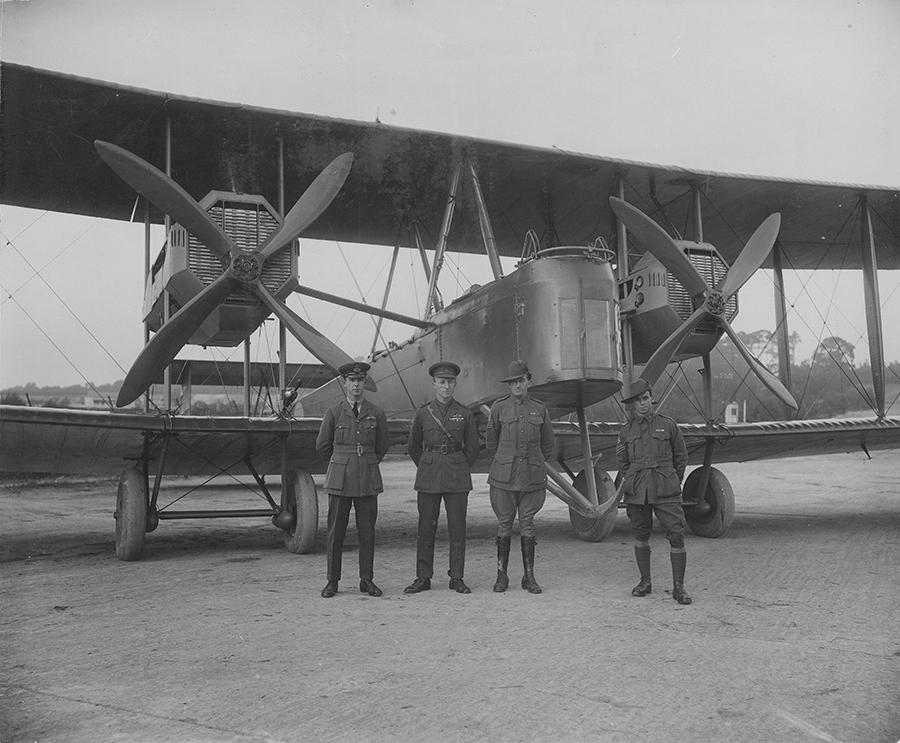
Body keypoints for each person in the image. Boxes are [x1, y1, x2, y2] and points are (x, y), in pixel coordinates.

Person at [316, 361, 391, 598]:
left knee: (367, 532)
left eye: (360, 380)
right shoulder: (334, 412)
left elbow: (382, 446)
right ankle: (332, 581)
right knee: (335, 532)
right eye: (352, 380)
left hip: (367, 478)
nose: (356, 384)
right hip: (340, 479)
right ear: (345, 383)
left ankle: (366, 580)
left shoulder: (376, 413)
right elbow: (322, 446)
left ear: (365, 383)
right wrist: (341, 462)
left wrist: (366, 461)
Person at [404, 362, 480, 595]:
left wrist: (457, 464)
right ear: (434, 384)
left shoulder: (464, 413)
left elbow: (473, 449)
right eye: (442, 382)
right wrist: (429, 463)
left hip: (457, 476)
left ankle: (456, 577)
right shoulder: (423, 413)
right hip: (429, 476)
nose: (446, 387)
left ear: (455, 384)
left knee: (458, 530)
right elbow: (414, 446)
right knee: (426, 529)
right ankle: (423, 577)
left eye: (450, 382)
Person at [616, 378, 692, 605]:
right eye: (637, 401)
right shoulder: (625, 431)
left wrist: (673, 479)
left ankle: (679, 587)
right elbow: (622, 461)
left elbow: (681, 457)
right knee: (640, 534)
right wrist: (632, 478)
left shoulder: (668, 425)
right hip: (638, 489)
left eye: (645, 398)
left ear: (652, 398)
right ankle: (645, 582)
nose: (642, 404)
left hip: (665, 488)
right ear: (632, 405)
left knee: (676, 535)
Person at [485, 360, 555, 594]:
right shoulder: (499, 408)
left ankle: (529, 577)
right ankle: (501, 576)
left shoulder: (540, 408)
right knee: (504, 524)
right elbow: (491, 443)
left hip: (531, 477)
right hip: (504, 477)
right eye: (513, 382)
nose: (517, 385)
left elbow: (548, 445)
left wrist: (532, 461)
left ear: (528, 381)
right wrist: (507, 459)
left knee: (528, 524)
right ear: (509, 385)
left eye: (521, 380)